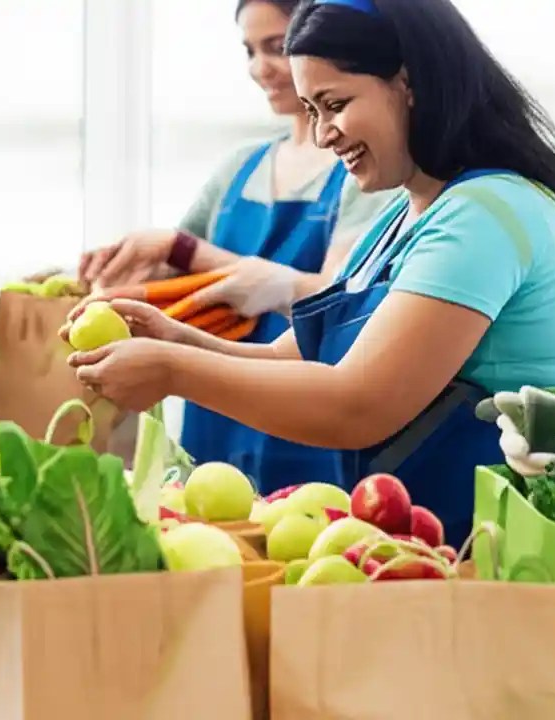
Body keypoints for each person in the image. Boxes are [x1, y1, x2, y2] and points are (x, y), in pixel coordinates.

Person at [67, 0, 555, 548]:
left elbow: (359, 403)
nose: (322, 135)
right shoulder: (407, 213)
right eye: (311, 110)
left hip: (498, 551)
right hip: (426, 545)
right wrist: (175, 337)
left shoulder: (482, 214)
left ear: (408, 81)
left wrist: (174, 371)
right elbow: (291, 358)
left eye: (334, 104)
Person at [78, 0, 397, 494]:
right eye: (250, 50)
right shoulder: (238, 169)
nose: (260, 68)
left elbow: (338, 297)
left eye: (276, 47)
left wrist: (187, 250)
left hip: (303, 414)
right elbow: (171, 280)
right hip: (213, 412)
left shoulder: (364, 168)